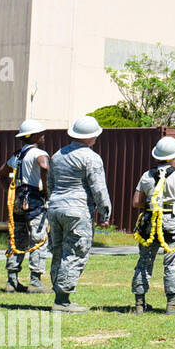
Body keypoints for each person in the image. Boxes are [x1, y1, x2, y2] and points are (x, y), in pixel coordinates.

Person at [45, 116, 112, 313]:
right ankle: (62, 300)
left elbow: (50, 183)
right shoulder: (91, 157)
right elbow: (99, 189)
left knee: (58, 251)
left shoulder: (57, 155)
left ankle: (58, 292)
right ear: (91, 137)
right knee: (75, 252)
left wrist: (53, 202)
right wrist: (105, 212)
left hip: (55, 207)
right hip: (78, 209)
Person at [131, 136, 175, 315]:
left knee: (144, 262)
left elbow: (136, 202)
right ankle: (172, 304)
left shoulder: (146, 175)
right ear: (174, 156)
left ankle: (139, 304)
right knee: (172, 263)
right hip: (171, 224)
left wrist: (152, 205)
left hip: (149, 223)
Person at [0, 119, 52, 294]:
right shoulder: (39, 153)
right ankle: (35, 281)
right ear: (34, 136)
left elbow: (0, 174)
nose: (43, 136)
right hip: (35, 200)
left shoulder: (17, 156)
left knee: (17, 239)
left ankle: (11, 281)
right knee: (39, 239)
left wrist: (9, 190)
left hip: (17, 201)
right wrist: (45, 187)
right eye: (41, 133)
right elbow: (44, 166)